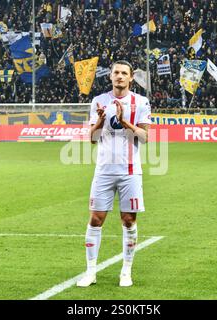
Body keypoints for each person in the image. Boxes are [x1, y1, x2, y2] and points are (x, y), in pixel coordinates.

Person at [76, 60, 151, 287]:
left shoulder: (141, 102)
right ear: (110, 76)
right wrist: (100, 119)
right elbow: (91, 139)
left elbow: (145, 137)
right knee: (96, 219)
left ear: (130, 77)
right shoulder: (99, 101)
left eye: (124, 73)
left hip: (130, 171)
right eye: (116, 72)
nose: (119, 76)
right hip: (104, 171)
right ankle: (90, 272)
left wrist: (125, 122)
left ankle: (126, 272)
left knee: (128, 221)